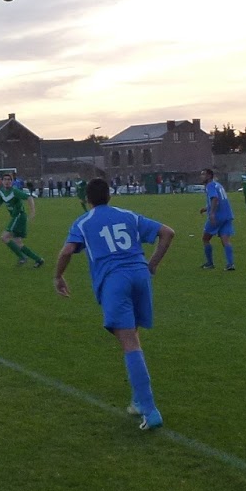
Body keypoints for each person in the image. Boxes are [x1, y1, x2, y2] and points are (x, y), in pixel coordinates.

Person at [55, 178, 175, 431]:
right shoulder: (127, 215)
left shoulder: (84, 221)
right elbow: (167, 233)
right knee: (133, 336)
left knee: (129, 343)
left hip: (115, 281)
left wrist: (58, 277)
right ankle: (138, 399)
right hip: (140, 276)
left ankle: (150, 409)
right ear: (109, 196)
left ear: (87, 199)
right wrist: (152, 264)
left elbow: (66, 251)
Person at [0, 176, 45, 268]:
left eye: (9, 180)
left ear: (12, 181)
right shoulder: (2, 192)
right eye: (5, 179)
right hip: (17, 217)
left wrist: (33, 212)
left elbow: (29, 197)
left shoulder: (14, 191)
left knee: (4, 237)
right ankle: (38, 260)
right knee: (18, 242)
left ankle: (22, 257)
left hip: (18, 216)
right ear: (2, 181)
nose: (7, 181)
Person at [198, 167, 236, 271]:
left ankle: (210, 263)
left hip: (217, 217)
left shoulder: (210, 185)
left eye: (203, 174)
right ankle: (230, 264)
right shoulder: (218, 185)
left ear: (209, 176)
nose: (201, 176)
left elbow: (215, 198)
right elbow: (219, 199)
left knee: (205, 239)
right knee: (225, 240)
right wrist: (206, 208)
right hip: (227, 215)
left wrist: (212, 213)